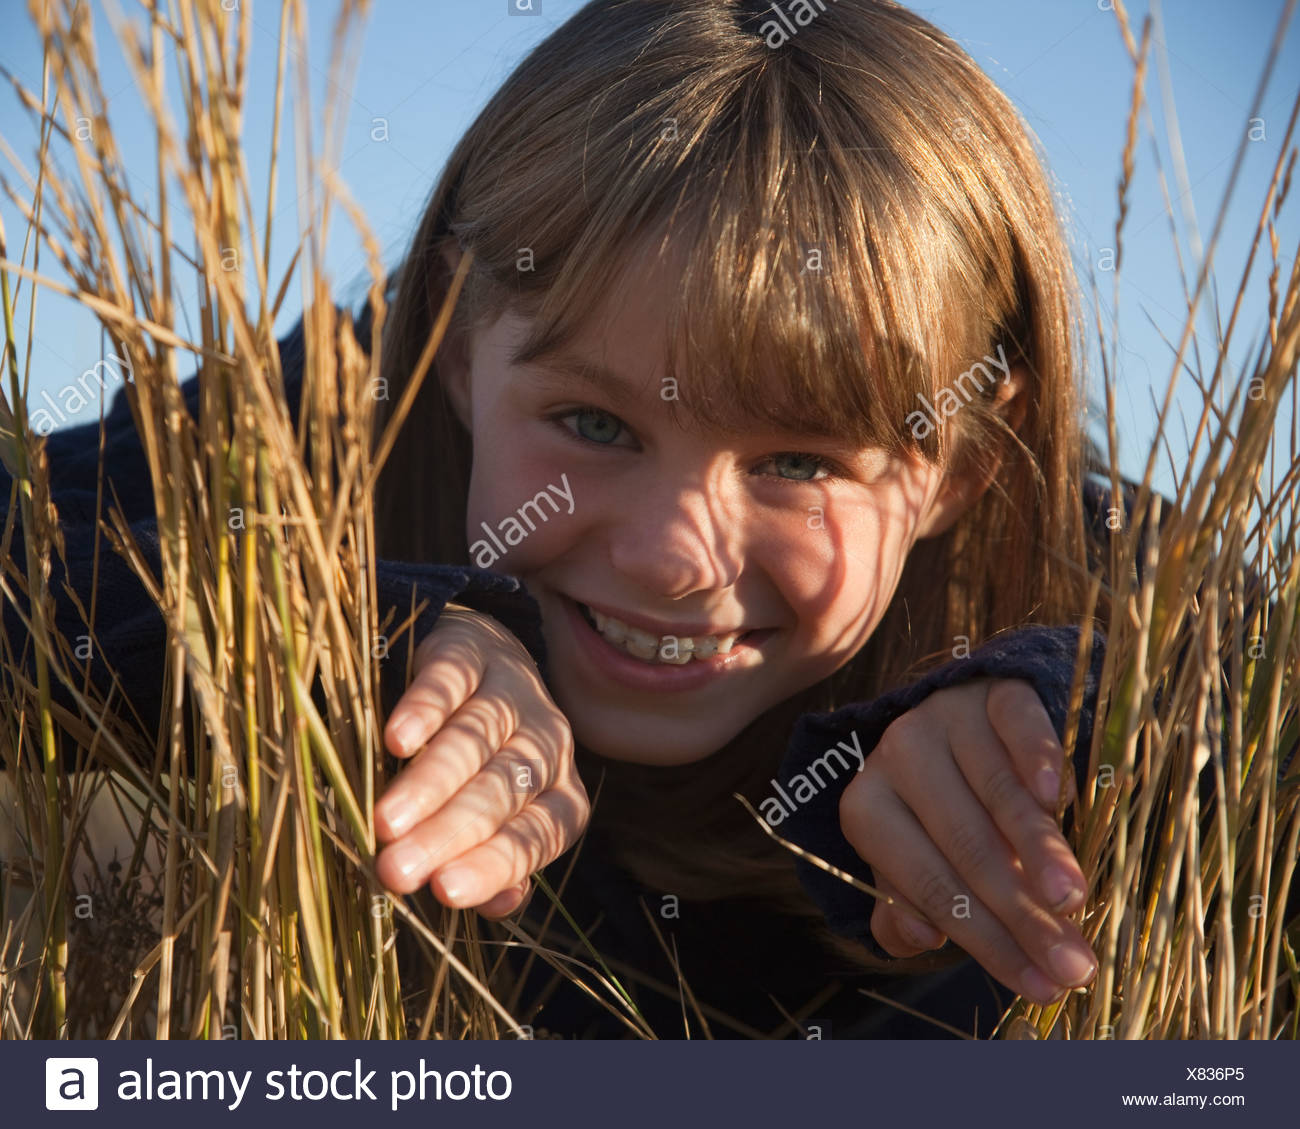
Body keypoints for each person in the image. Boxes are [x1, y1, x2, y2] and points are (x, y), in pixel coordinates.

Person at [5, 0, 1279, 1039]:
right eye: (595, 427)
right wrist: (369, 630)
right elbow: (33, 540)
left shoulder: (1105, 589)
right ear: (456, 344)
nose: (673, 556)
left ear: (957, 467)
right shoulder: (336, 416)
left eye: (797, 457)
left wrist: (1093, 726)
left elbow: (1251, 680)